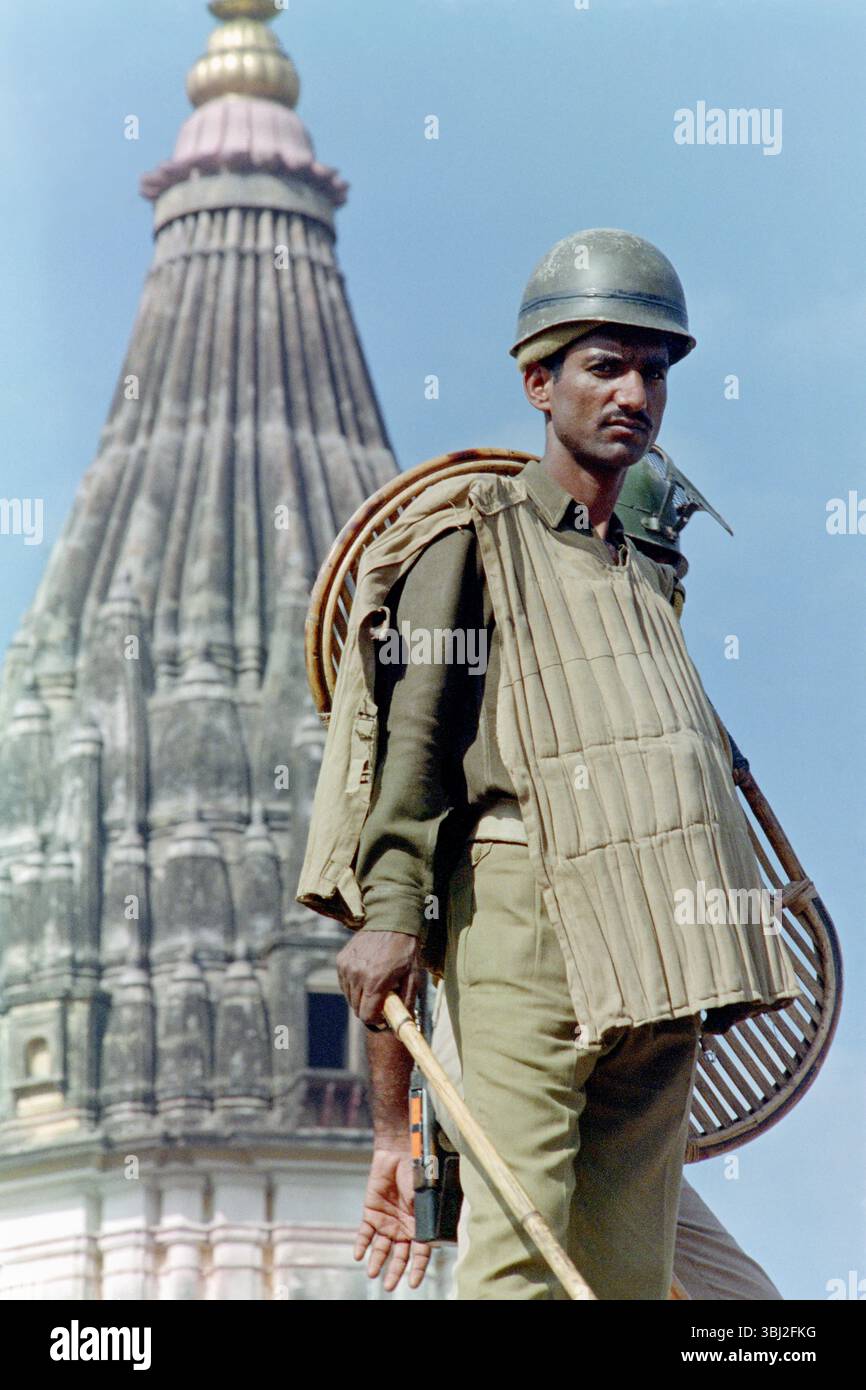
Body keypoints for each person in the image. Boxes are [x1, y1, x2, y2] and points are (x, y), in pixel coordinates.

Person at [299, 228, 801, 1299]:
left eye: (652, 372)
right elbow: (414, 748)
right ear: (538, 381)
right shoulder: (466, 538)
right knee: (521, 1251)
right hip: (525, 910)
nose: (633, 393)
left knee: (624, 1271)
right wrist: (390, 915)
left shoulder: (643, 571)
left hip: (662, 935)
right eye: (603, 365)